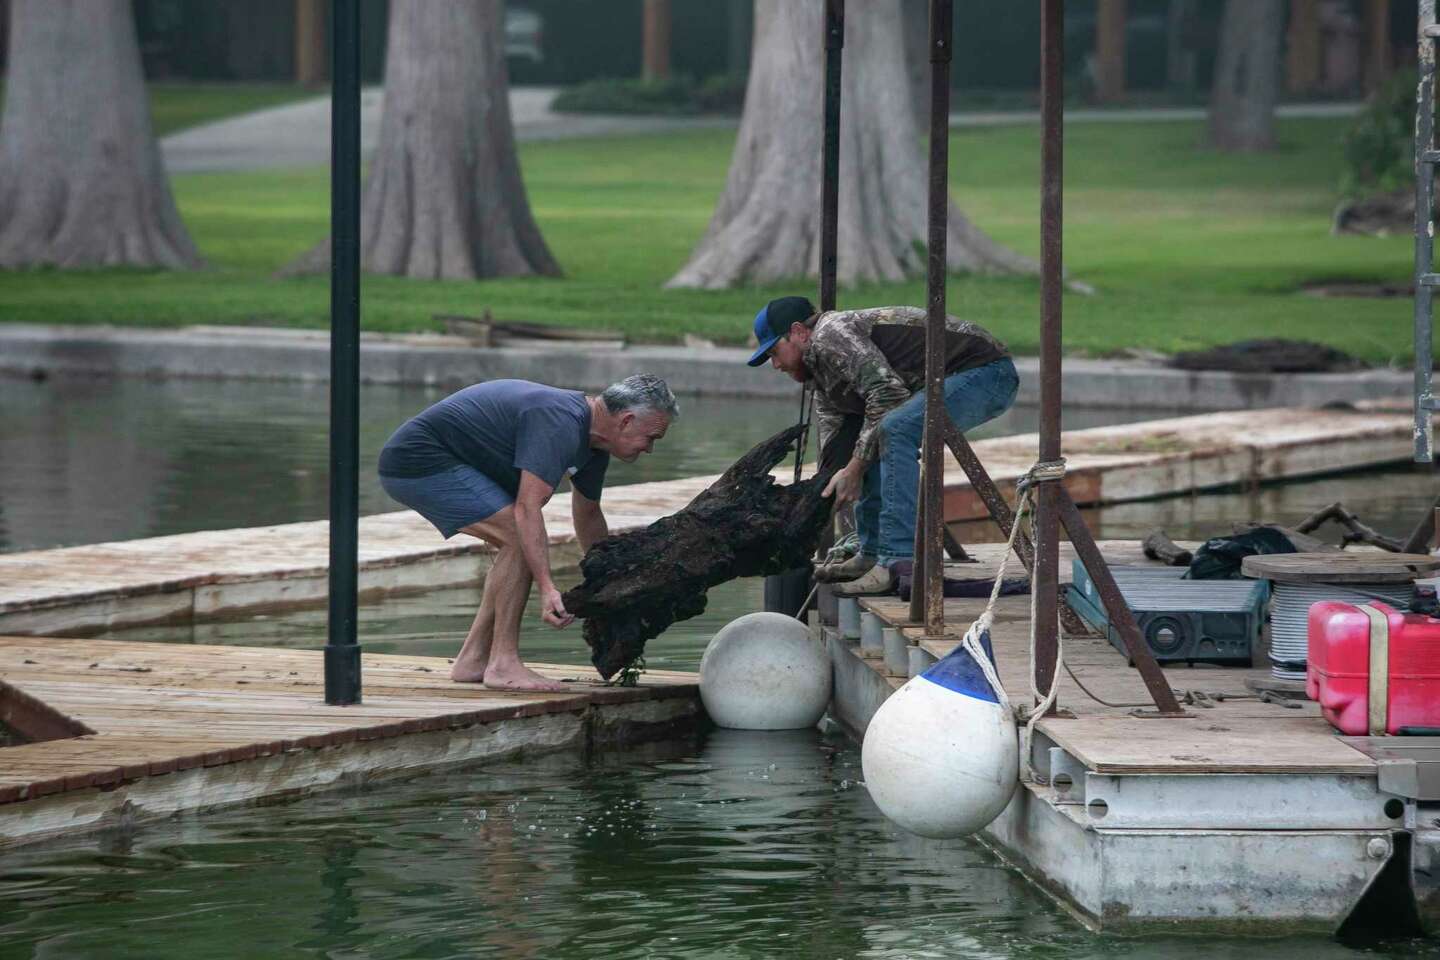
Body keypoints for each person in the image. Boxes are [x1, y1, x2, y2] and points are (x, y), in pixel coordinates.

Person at [378, 375, 678, 690]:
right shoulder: (560, 421)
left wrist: (608, 581)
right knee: (518, 537)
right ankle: (503, 664)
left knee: (515, 540)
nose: (650, 450)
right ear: (626, 421)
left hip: (451, 463)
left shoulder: (593, 445)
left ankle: (474, 658)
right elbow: (527, 509)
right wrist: (548, 589)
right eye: (652, 437)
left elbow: (588, 515)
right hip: (418, 461)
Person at [747, 296, 1018, 596]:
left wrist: (854, 468)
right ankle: (872, 553)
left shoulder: (830, 335)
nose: (774, 365)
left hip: (986, 373)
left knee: (895, 429)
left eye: (774, 352)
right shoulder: (821, 373)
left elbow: (888, 395)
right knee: (872, 437)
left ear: (799, 332)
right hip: (953, 380)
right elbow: (838, 440)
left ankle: (898, 561)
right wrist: (821, 496)